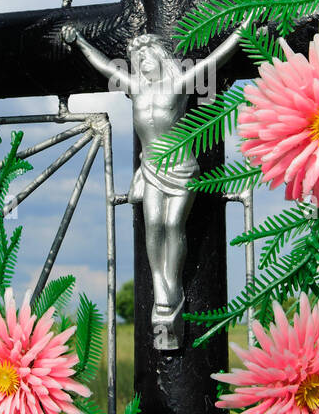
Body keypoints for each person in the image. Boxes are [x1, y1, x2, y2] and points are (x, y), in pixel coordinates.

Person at [62, 23, 242, 347]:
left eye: (148, 54)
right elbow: (103, 64)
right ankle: (162, 288)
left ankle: (171, 284)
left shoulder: (180, 84)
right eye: (138, 56)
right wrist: (79, 41)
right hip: (151, 168)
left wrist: (241, 33)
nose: (143, 60)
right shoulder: (135, 87)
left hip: (181, 166)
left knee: (174, 225)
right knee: (154, 226)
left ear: (161, 57)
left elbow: (213, 61)